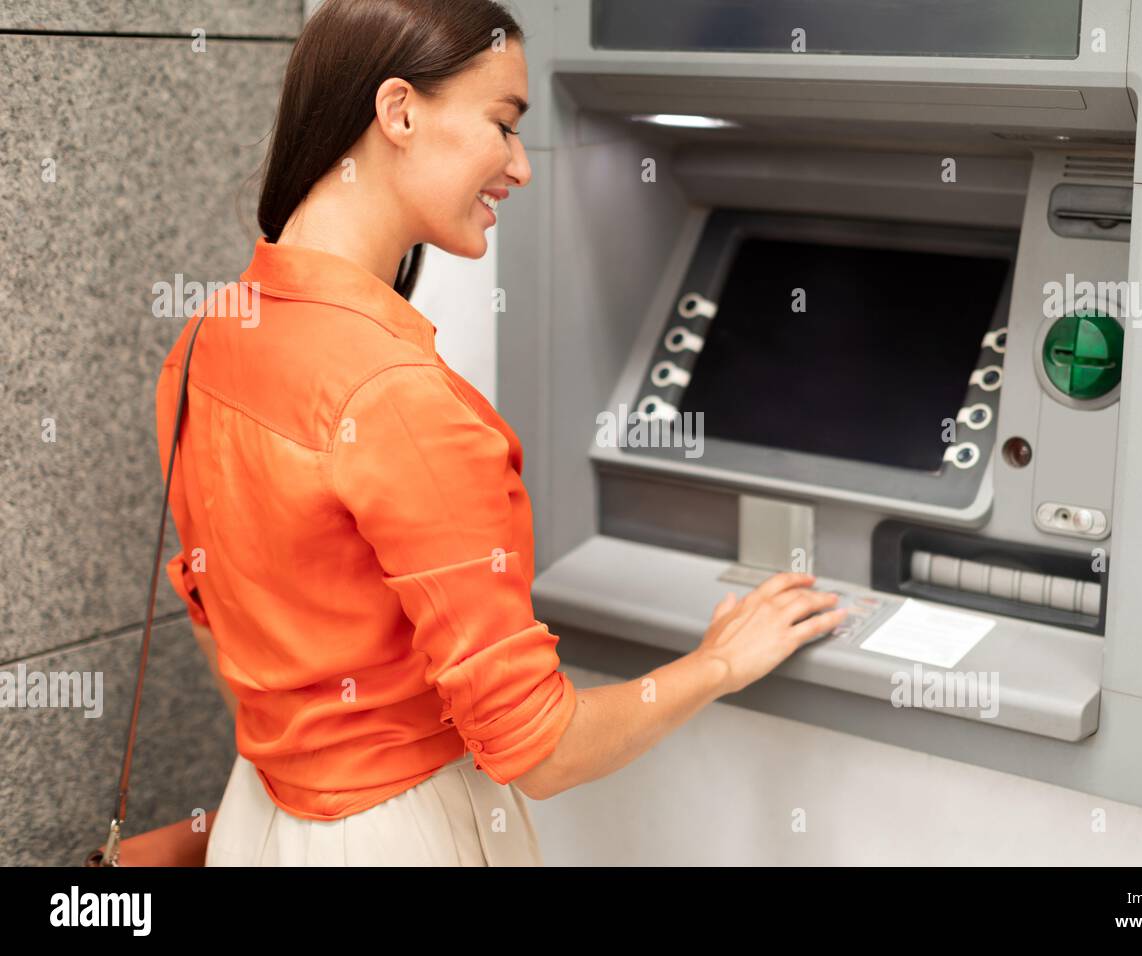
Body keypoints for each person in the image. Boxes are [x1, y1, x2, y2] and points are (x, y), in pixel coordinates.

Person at [157, 0, 848, 866]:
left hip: (261, 819)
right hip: (401, 836)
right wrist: (718, 663)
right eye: (503, 123)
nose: (521, 166)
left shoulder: (208, 338)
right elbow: (541, 750)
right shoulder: (400, 399)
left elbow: (216, 616)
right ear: (399, 111)